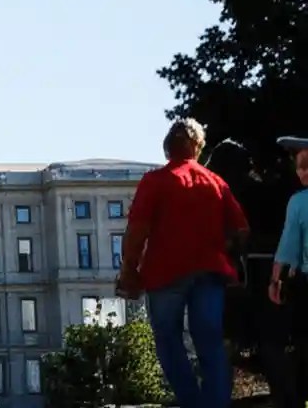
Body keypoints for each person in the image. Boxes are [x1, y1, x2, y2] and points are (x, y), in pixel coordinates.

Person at [117, 118, 250, 408]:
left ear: (168, 148)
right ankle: (215, 404)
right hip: (209, 272)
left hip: (166, 272)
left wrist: (129, 270)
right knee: (210, 341)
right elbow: (241, 229)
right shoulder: (216, 183)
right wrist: (223, 250)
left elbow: (137, 230)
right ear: (198, 147)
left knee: (168, 339)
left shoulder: (155, 181)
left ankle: (192, 402)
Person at [267, 136, 308, 407]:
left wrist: (275, 280)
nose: (300, 171)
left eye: (305, 165)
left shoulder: (299, 202)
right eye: (299, 166)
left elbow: (288, 245)